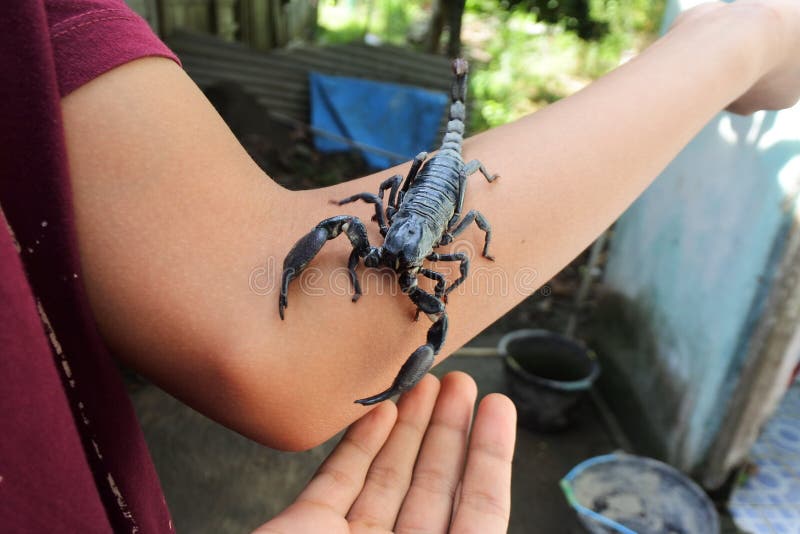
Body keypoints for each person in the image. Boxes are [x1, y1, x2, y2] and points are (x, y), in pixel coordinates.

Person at [0, 0, 798, 532]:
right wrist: (738, 44)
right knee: (374, 208)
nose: (384, 271)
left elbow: (442, 289)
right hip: (416, 197)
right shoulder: (377, 234)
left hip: (443, 198)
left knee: (449, 214)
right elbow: (355, 226)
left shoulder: (425, 264)